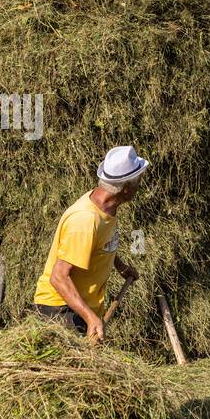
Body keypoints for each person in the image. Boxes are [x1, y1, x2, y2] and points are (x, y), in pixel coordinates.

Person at [32, 145, 146, 342]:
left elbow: (99, 243)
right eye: (138, 181)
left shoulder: (106, 207)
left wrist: (121, 266)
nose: (140, 185)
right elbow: (58, 277)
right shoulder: (85, 220)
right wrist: (90, 317)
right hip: (61, 312)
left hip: (78, 308)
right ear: (126, 188)